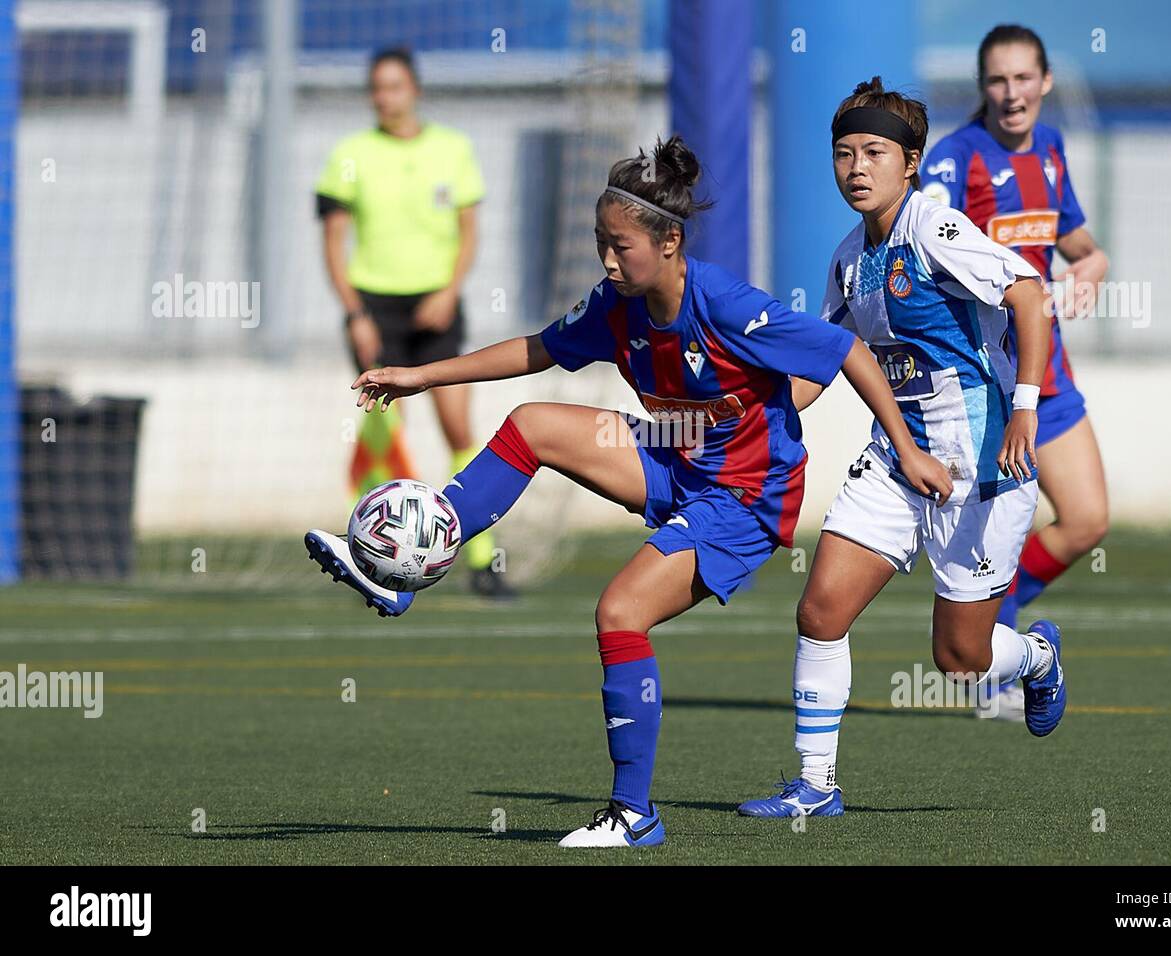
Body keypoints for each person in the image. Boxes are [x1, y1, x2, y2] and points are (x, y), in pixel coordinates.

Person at [305, 135, 953, 847]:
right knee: (534, 425)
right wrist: (421, 375)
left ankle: (633, 814)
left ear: (670, 241)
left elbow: (847, 350)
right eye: (599, 243)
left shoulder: (728, 305)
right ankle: (416, 568)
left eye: (621, 246)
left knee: (619, 612)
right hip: (673, 456)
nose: (608, 260)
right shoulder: (618, 304)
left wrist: (908, 447)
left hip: (744, 497)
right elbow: (539, 349)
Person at [739, 77, 1065, 819]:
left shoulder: (934, 228)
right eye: (844, 152)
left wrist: (1024, 409)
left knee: (960, 661)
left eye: (875, 152)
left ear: (911, 163)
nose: (856, 166)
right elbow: (827, 361)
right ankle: (815, 787)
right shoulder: (849, 257)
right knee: (820, 611)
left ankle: (1037, 656)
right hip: (894, 460)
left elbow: (1029, 296)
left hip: (980, 464)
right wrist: (748, 420)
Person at [920, 25, 1109, 719]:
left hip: (1050, 372)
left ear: (1046, 81)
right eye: (998, 81)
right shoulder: (954, 160)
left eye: (1023, 78)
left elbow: (1071, 236)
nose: (1011, 94)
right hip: (992, 387)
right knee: (996, 530)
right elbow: (926, 248)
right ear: (983, 88)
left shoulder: (1053, 152)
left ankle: (996, 629)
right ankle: (992, 661)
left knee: (1087, 522)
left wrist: (1093, 262)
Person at [315, 46, 508, 598]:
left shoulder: (452, 149)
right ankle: (371, 560)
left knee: (458, 430)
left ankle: (482, 560)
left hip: (436, 305)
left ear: (414, 90)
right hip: (375, 306)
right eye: (377, 88)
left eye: (394, 86)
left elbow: (469, 231)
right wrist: (355, 313)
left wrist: (449, 292)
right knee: (381, 432)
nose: (385, 97)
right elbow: (332, 242)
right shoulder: (350, 154)